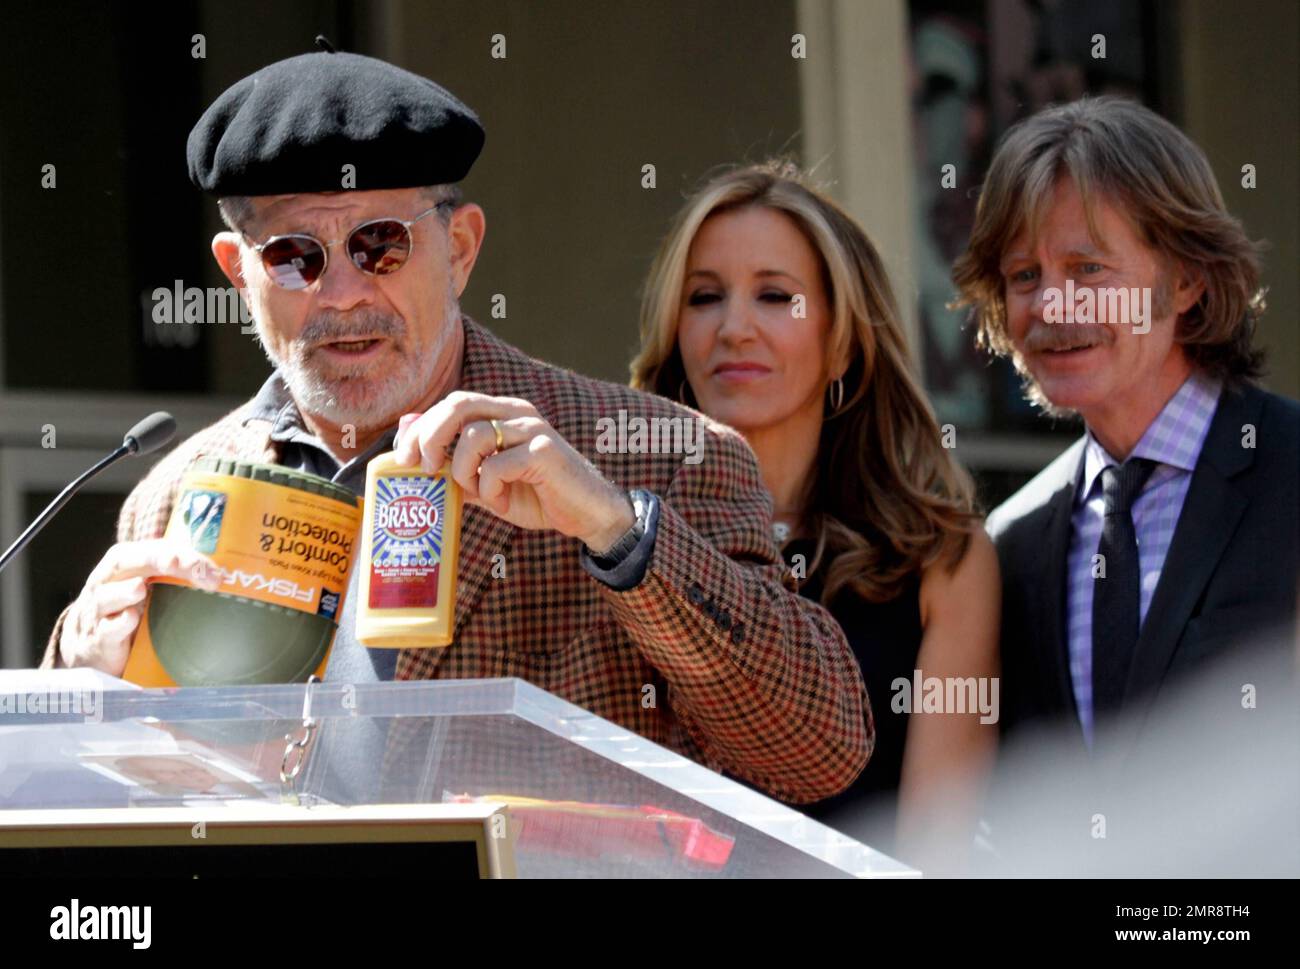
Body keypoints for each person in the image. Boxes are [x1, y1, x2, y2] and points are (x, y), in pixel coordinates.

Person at [39, 48, 873, 806]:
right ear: (237, 273)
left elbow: (818, 748)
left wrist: (616, 534)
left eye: (381, 244)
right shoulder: (176, 495)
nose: (343, 295)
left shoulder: (656, 457)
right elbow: (100, 811)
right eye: (296, 256)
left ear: (462, 248)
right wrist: (79, 684)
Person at [631, 161, 1000, 867]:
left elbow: (936, 855)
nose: (734, 328)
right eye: (705, 297)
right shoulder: (620, 536)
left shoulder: (942, 559)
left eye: (775, 296)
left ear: (843, 338)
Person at [954, 96, 1299, 756]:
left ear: (1189, 278)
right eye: (1025, 275)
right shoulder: (1013, 543)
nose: (1052, 304)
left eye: (1088, 268)